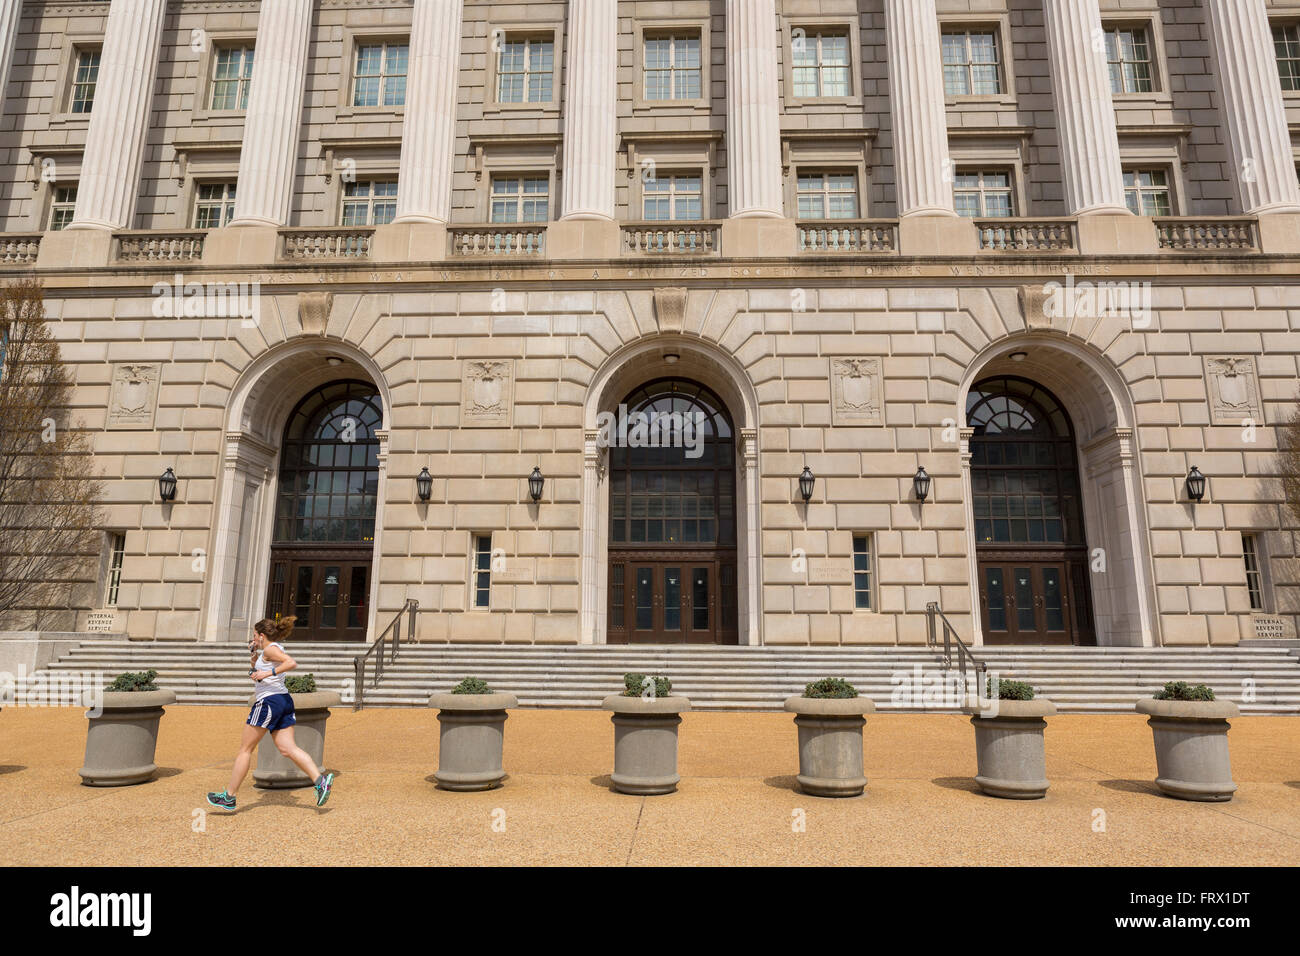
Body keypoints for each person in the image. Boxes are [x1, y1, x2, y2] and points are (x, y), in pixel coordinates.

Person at [206, 616, 334, 811]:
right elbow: (260, 674)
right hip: (282, 700)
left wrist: (266, 673)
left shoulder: (270, 649)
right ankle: (320, 782)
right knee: (287, 749)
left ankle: (229, 797)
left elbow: (291, 663)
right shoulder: (268, 651)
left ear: (262, 635)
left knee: (245, 750)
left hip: (269, 702)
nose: (253, 638)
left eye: (255, 635)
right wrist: (253, 661)